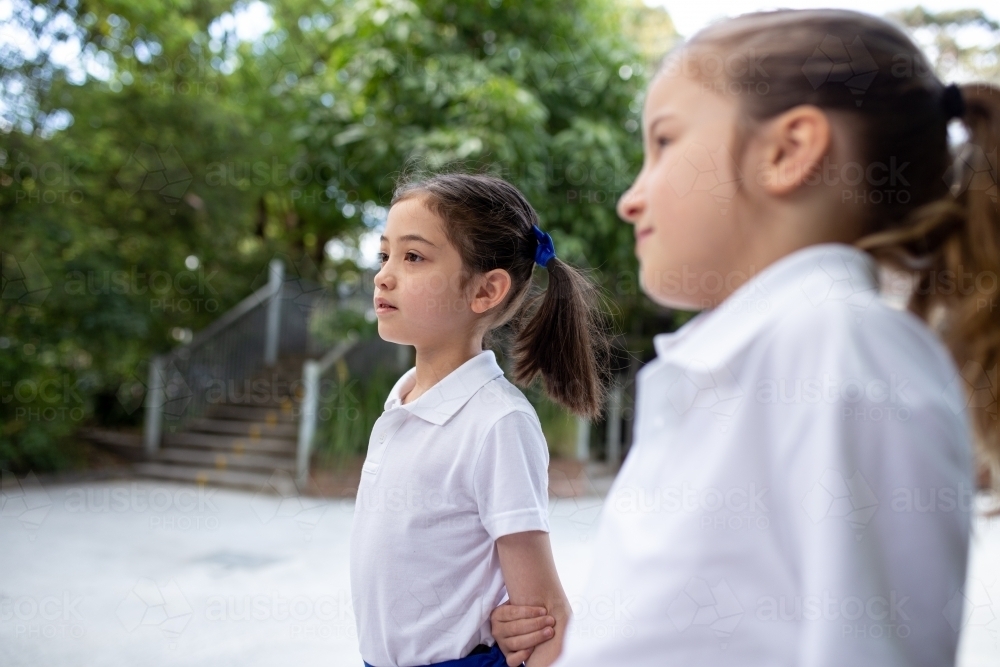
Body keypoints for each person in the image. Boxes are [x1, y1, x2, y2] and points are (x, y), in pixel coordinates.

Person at [489, 8, 1000, 667]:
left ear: (787, 152)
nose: (629, 198)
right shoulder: (765, 354)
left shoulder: (839, 345)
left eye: (664, 144)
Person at [349, 173, 610, 667]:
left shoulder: (497, 422)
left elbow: (547, 619)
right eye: (385, 254)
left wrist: (524, 628)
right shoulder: (401, 400)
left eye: (414, 257)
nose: (383, 275)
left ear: (487, 290)